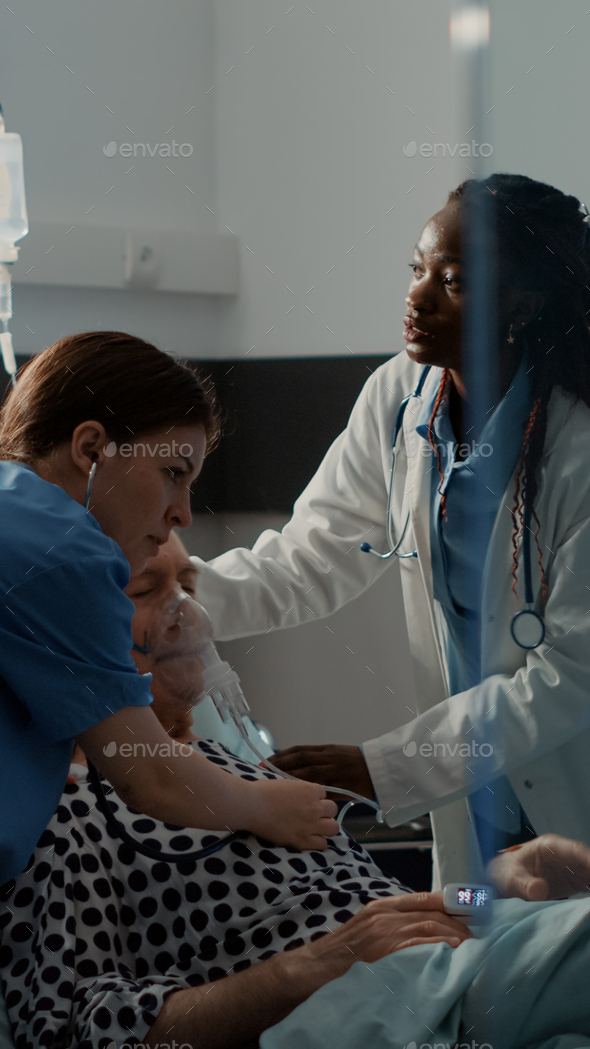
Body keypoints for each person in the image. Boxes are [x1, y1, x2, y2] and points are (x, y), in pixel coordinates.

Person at [2, 532, 589, 1049]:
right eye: (143, 591)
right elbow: (74, 1026)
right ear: (71, 636)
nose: (186, 611)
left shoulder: (238, 772)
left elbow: (382, 913)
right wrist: (309, 968)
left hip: (442, 969)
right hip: (368, 1005)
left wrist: (494, 896)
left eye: (186, 582)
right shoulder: (65, 807)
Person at [190, 174, 590, 886]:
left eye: (454, 280)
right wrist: (170, 601)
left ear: (520, 307)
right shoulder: (397, 399)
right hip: (474, 800)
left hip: (571, 781)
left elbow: (571, 674)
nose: (418, 295)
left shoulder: (577, 444)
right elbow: (313, 555)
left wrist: (384, 768)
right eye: (417, 268)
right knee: (480, 978)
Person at [0, 332, 338, 888]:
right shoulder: (66, 550)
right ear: (91, 449)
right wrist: (270, 808)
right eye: (174, 474)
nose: (182, 514)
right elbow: (149, 775)